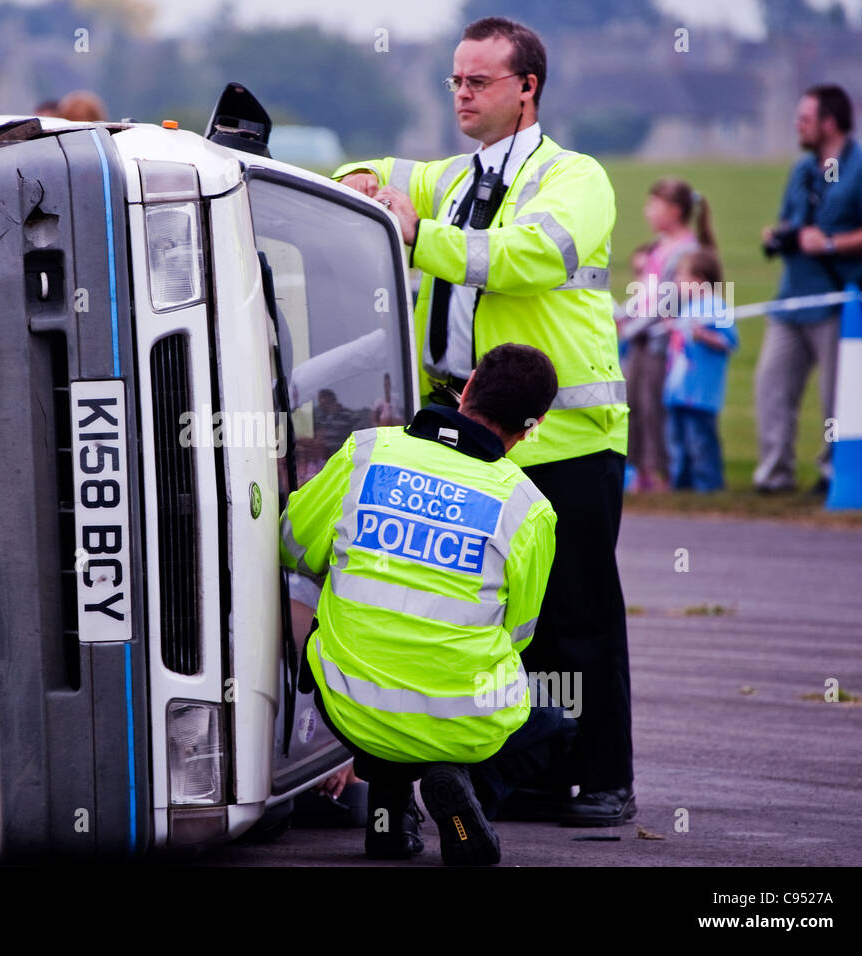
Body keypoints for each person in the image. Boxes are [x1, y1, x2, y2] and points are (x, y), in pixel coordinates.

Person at [334, 15, 634, 825]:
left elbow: (534, 257)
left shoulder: (576, 176)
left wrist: (417, 230)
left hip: (566, 436)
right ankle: (530, 770)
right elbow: (366, 169)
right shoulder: (453, 176)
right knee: (501, 617)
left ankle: (603, 777)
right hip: (476, 433)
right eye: (455, 81)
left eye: (479, 81)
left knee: (579, 616)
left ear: (527, 88)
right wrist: (366, 183)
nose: (462, 94)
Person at [280, 343, 574, 865]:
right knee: (559, 722)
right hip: (463, 714)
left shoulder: (367, 452)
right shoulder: (529, 509)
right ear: (535, 426)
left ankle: (391, 820)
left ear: (466, 388)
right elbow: (519, 633)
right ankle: (465, 797)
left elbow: (293, 544)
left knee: (388, 694)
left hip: (351, 704)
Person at [755, 84, 862, 495]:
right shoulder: (802, 169)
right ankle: (775, 475)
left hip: (836, 300)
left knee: (836, 399)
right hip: (791, 297)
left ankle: (832, 474)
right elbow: (791, 220)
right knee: (771, 386)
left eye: (804, 119)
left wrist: (828, 243)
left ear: (829, 123)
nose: (797, 126)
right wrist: (781, 237)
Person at [622, 180, 715, 493]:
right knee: (633, 404)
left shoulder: (687, 251)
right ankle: (641, 472)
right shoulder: (659, 246)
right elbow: (645, 293)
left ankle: (662, 475)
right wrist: (623, 314)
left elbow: (668, 302)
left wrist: (632, 326)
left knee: (653, 409)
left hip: (660, 343)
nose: (647, 211)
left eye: (654, 205)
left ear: (675, 211)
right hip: (641, 339)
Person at [663, 250, 739, 492]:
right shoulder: (690, 308)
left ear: (700, 280)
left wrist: (705, 336)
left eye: (682, 277)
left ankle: (708, 485)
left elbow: (729, 342)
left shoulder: (715, 306)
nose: (677, 283)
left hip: (700, 392)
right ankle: (682, 485)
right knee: (678, 440)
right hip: (679, 390)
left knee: (700, 441)